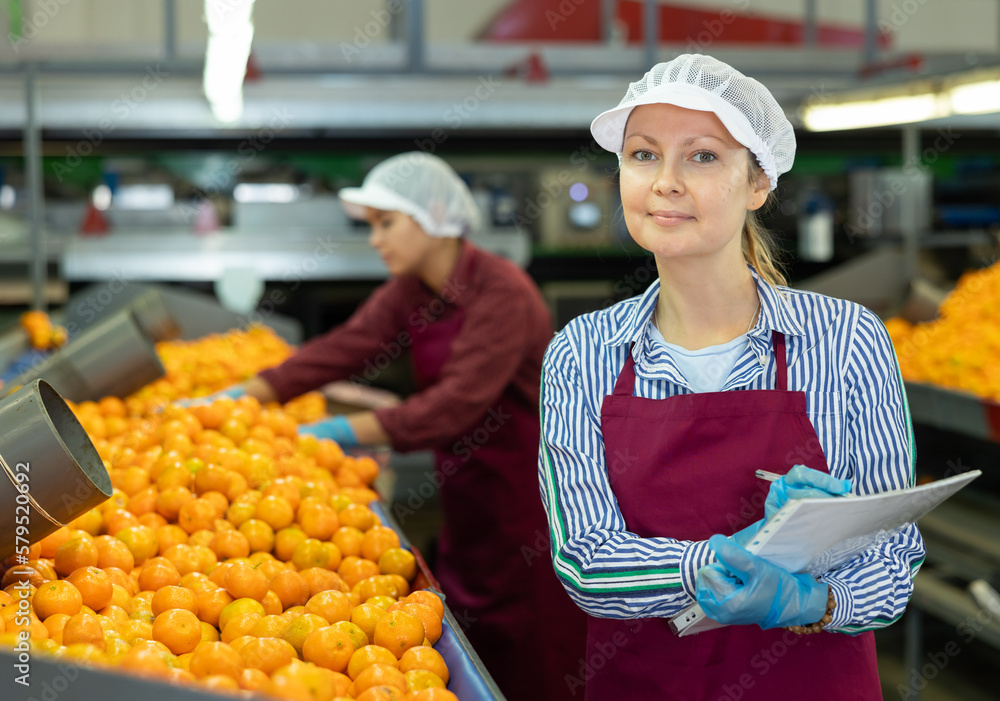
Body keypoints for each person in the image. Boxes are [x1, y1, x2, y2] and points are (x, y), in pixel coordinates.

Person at [538, 54, 925, 700]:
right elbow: (584, 559)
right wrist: (721, 558)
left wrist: (809, 600)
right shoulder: (580, 352)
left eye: (703, 157)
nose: (664, 181)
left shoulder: (848, 339)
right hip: (646, 684)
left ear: (758, 184)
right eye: (642, 155)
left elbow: (893, 557)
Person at [201, 152, 587, 700]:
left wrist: (331, 433)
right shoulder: (415, 288)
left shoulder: (504, 294)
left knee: (529, 649)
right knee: (468, 634)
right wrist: (242, 395)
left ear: (433, 219)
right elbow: (344, 348)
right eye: (372, 227)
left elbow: (452, 405)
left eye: (387, 224)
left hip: (531, 498)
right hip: (467, 488)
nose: (376, 239)